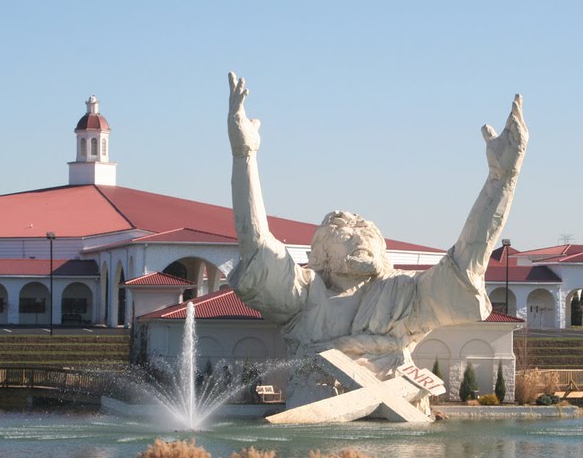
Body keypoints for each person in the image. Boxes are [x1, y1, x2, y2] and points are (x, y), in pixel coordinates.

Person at [226, 72, 528, 407]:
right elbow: (256, 246)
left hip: (398, 424)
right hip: (317, 421)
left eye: (368, 231)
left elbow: (465, 265)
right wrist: (244, 156)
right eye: (346, 232)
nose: (361, 236)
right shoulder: (304, 296)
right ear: (322, 251)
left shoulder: (404, 296)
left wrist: (502, 179)